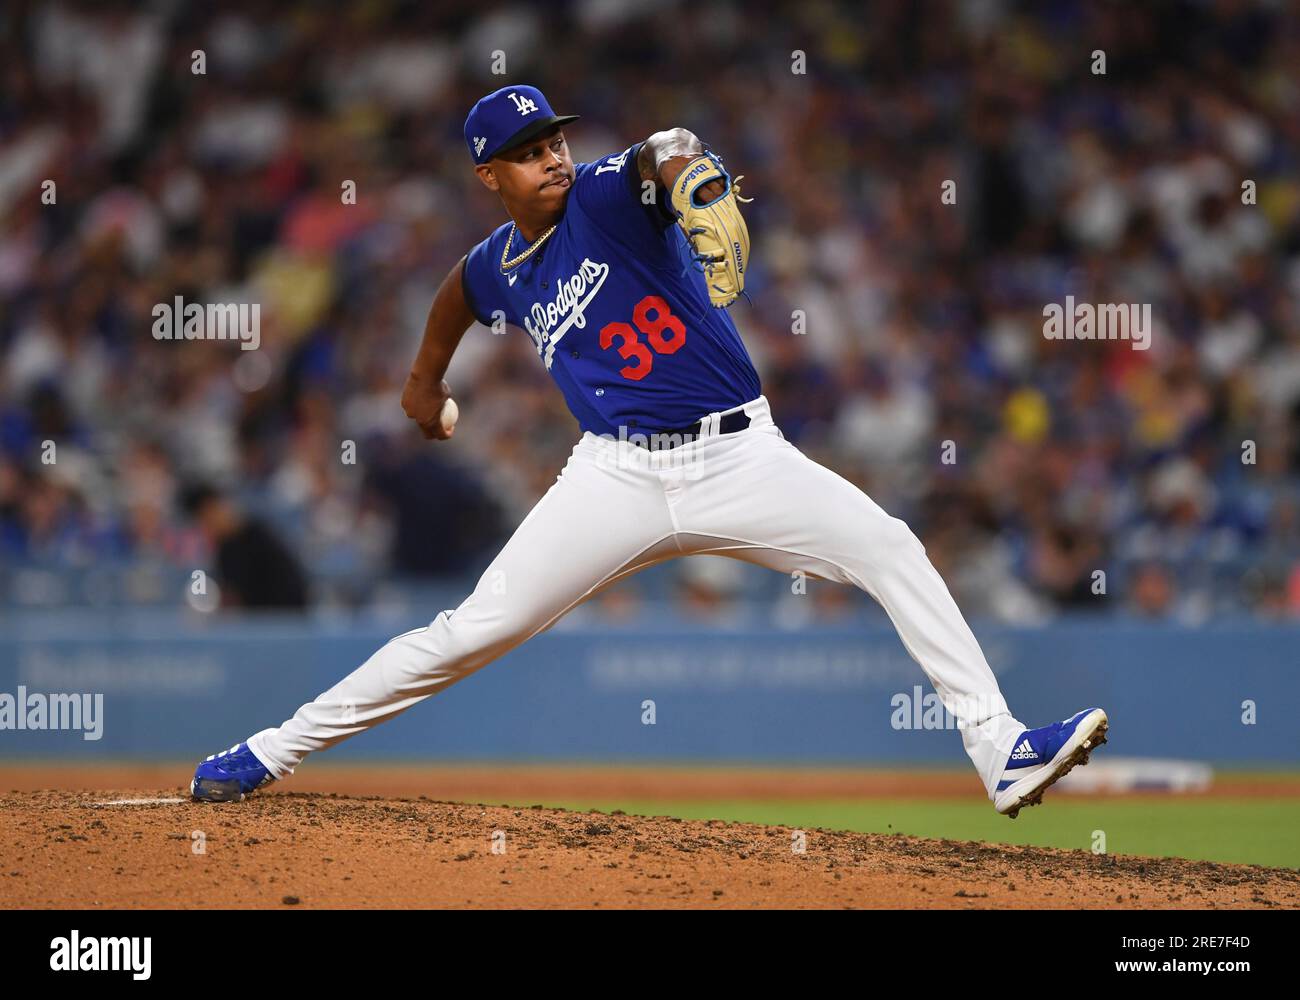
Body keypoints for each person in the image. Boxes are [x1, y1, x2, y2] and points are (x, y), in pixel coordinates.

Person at [190, 85, 1108, 817]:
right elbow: (454, 298)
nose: (549, 158)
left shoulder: (600, 195)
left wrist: (699, 186)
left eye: (552, 140)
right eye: (525, 152)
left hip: (741, 457)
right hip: (615, 474)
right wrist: (424, 384)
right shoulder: (498, 264)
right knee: (467, 634)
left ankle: (999, 750)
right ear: (488, 176)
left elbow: (665, 147)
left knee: (892, 548)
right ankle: (270, 750)